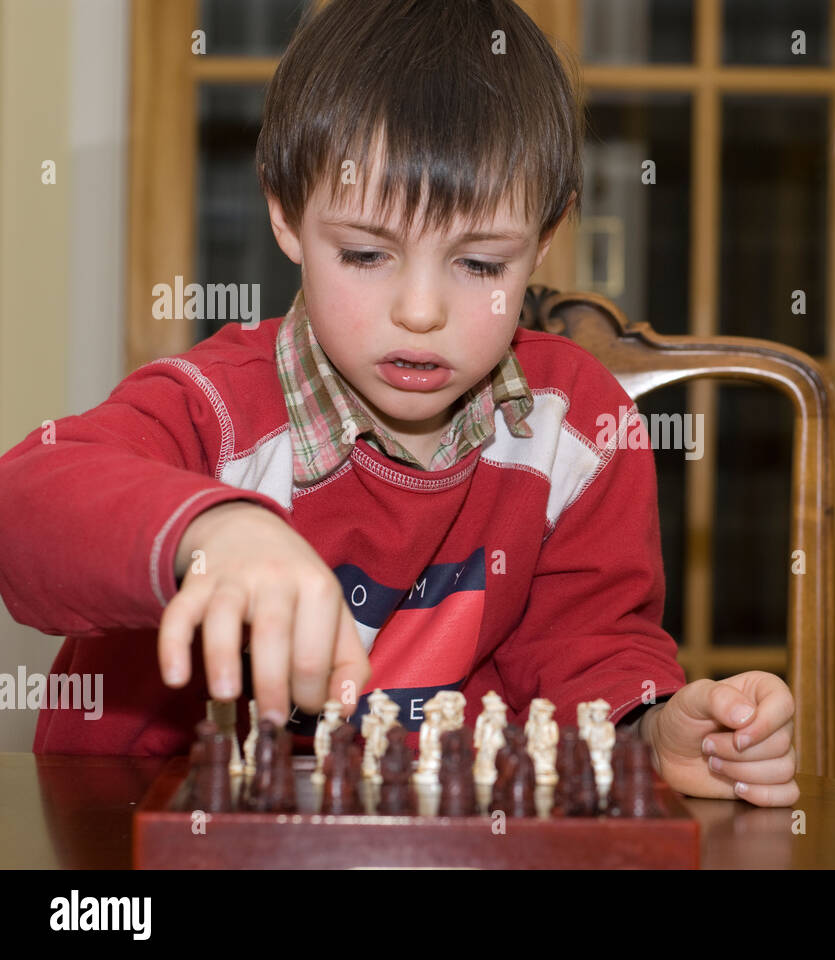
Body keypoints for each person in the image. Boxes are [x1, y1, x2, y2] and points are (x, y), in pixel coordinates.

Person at [0, 0, 795, 808]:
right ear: (285, 213)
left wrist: (654, 732)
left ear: (545, 240)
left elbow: (590, 648)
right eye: (367, 253)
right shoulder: (216, 411)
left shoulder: (574, 423)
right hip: (146, 842)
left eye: (480, 264)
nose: (421, 310)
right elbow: (23, 508)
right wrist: (211, 531)